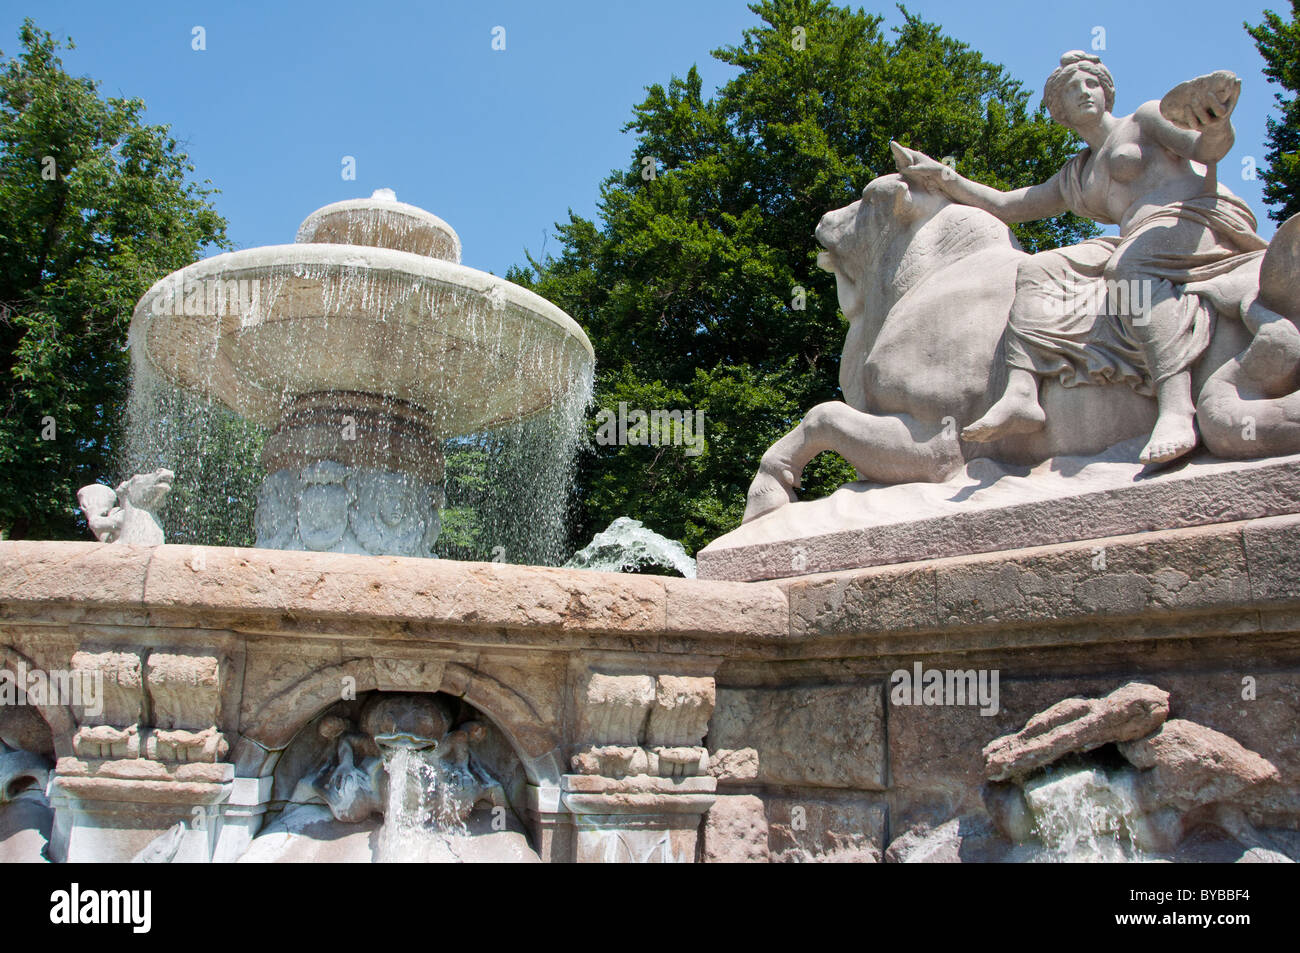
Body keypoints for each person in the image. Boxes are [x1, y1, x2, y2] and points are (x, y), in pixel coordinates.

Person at [893, 51, 1278, 464]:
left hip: (1195, 217)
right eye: (1071, 89)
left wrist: (1217, 121)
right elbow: (1008, 205)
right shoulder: (1077, 173)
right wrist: (945, 178)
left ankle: (1176, 406)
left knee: (1127, 268)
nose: (1084, 92)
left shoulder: (1145, 120)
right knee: (1041, 267)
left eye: (1091, 83)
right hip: (1137, 236)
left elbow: (1206, 149)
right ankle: (1022, 394)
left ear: (1106, 91)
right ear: (1059, 111)